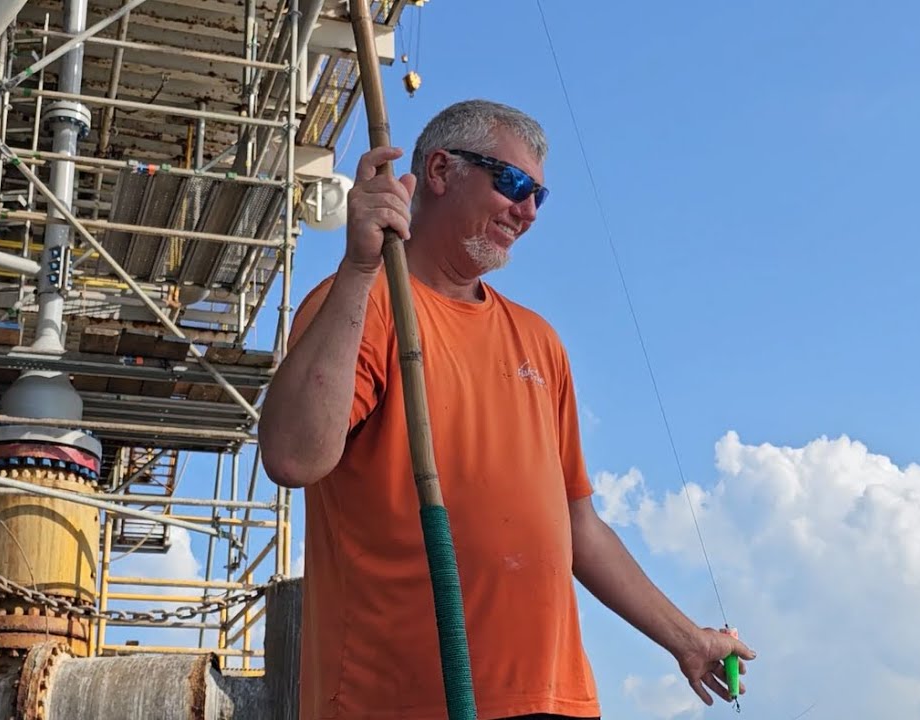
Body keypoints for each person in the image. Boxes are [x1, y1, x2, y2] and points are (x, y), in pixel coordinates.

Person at [259, 99, 755, 720]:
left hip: (555, 703)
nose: (526, 212)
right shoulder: (363, 302)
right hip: (396, 703)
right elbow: (290, 457)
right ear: (440, 172)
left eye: (539, 198)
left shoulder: (540, 341)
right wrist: (360, 267)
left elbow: (580, 527)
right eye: (513, 184)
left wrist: (686, 641)